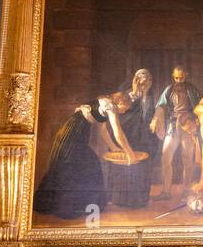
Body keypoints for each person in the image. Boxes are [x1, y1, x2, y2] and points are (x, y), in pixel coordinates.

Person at [34, 76, 150, 220]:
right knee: (70, 166)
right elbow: (117, 131)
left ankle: (86, 204)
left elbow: (103, 130)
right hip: (72, 133)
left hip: (78, 132)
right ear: (120, 102)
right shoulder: (111, 106)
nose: (124, 112)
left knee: (90, 163)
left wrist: (113, 147)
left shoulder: (106, 103)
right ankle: (68, 208)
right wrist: (129, 153)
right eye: (125, 108)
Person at [150, 65, 201, 201]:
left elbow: (201, 106)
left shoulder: (193, 89)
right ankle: (166, 191)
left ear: (186, 76)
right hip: (173, 126)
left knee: (187, 159)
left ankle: (186, 190)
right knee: (166, 158)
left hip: (188, 126)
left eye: (181, 77)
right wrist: (156, 119)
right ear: (173, 77)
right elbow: (160, 106)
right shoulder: (169, 90)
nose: (179, 80)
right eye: (176, 78)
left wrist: (196, 121)